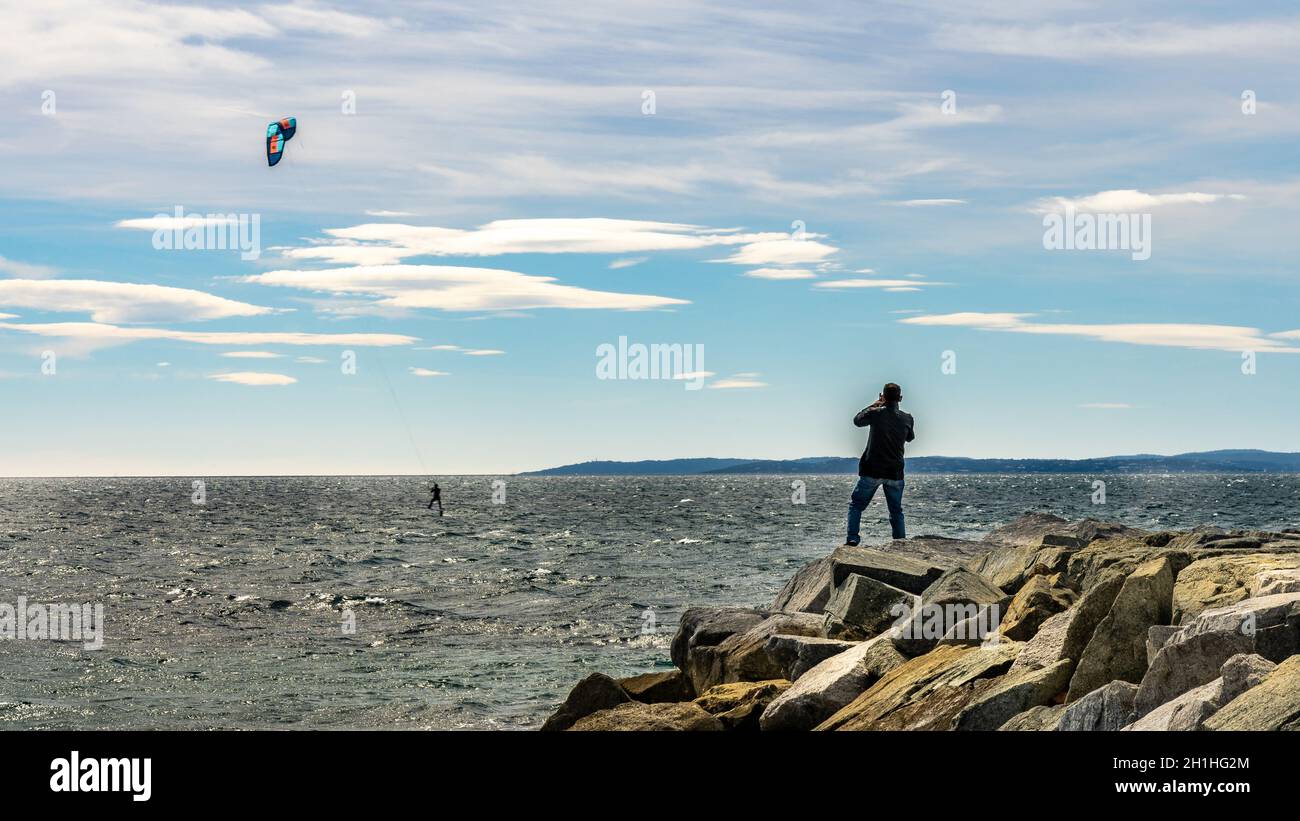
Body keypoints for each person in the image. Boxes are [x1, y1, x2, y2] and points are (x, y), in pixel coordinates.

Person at [846, 382, 914, 545]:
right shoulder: (907, 418)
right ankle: (900, 543)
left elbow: (857, 420)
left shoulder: (875, 413)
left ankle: (853, 538)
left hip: (872, 470)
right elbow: (910, 438)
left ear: (883, 396)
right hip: (895, 472)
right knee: (896, 511)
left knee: (856, 506)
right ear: (900, 398)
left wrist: (875, 405)